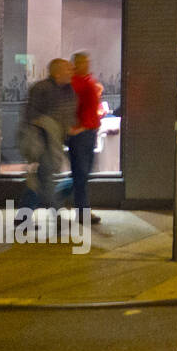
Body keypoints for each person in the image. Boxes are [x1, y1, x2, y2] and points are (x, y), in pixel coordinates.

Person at [17, 58, 76, 213]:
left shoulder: (67, 90)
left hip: (55, 141)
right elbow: (31, 115)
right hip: (43, 142)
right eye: (67, 69)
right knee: (46, 179)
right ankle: (56, 214)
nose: (71, 71)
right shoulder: (42, 88)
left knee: (41, 180)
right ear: (57, 73)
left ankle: (23, 216)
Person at [67, 51, 103, 225]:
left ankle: (80, 210)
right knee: (81, 174)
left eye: (87, 61)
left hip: (89, 131)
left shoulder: (88, 81)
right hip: (82, 134)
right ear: (75, 64)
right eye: (83, 62)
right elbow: (71, 107)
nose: (87, 64)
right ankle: (82, 212)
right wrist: (77, 128)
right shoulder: (75, 83)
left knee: (83, 173)